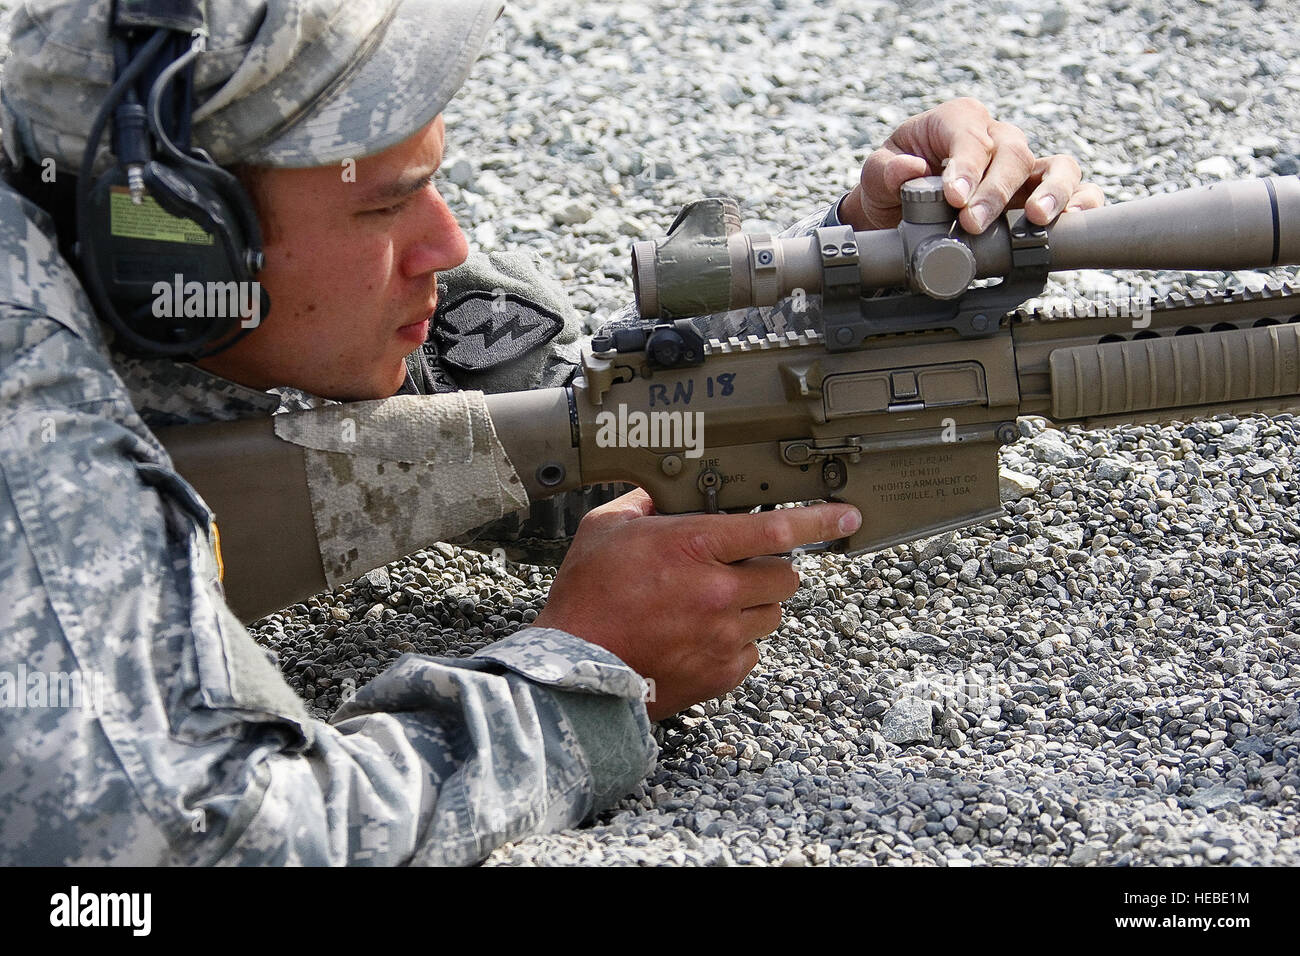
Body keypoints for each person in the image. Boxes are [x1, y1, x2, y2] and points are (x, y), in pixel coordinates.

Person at [0, 0, 1103, 865]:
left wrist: (853, 298)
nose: (446, 242)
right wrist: (571, 683)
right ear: (186, 241)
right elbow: (188, 843)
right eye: (384, 206)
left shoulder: (116, 205)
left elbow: (567, 422)